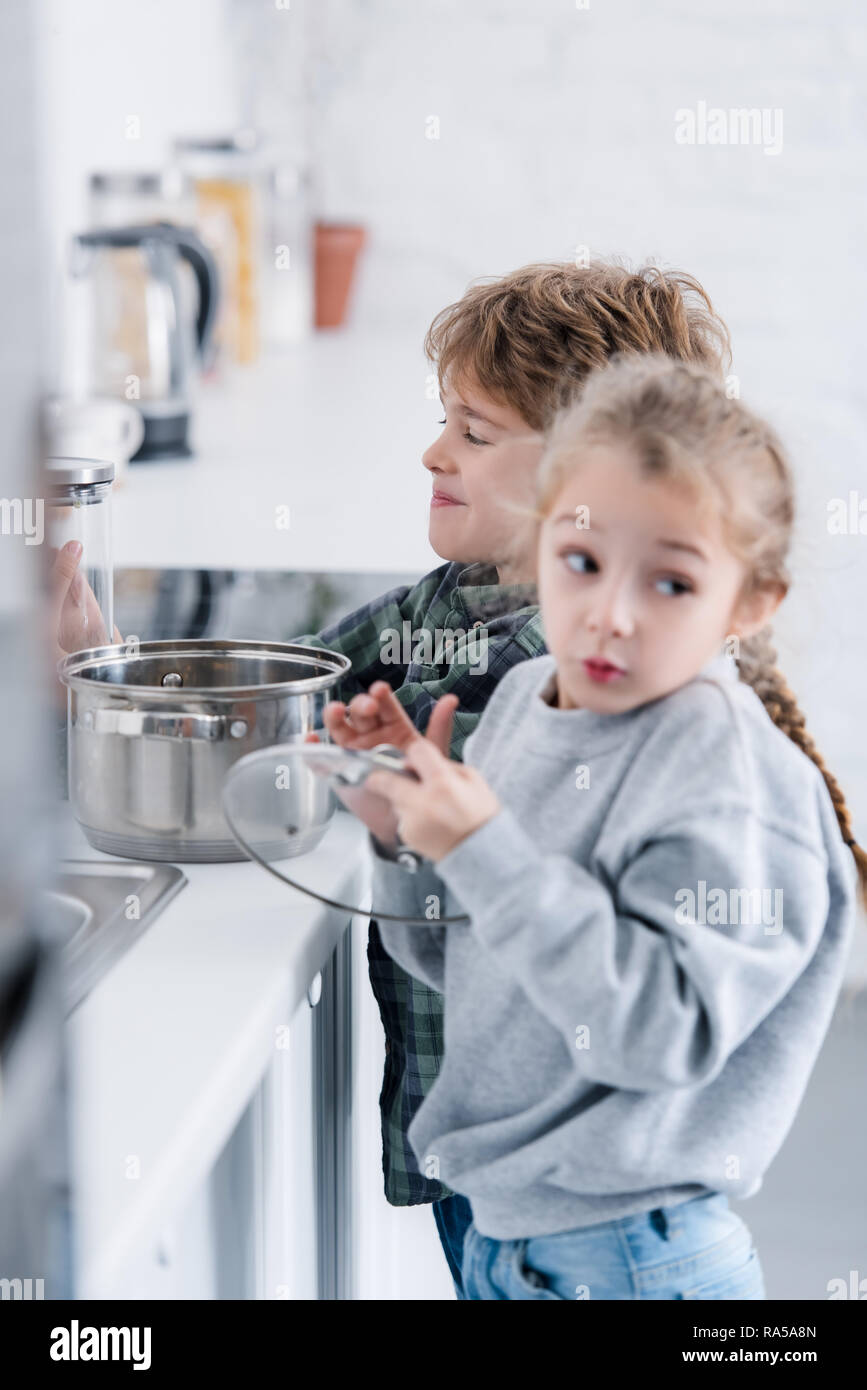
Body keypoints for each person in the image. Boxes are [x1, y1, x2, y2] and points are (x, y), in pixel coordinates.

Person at [52, 261, 732, 1297]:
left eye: (473, 429)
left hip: (587, 1196)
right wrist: (106, 663)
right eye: (443, 419)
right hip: (492, 1166)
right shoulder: (452, 603)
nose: (434, 450)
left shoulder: (591, 677)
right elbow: (285, 695)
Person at [341, 353, 864, 1300]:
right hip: (521, 1241)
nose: (610, 617)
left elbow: (653, 1037)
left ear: (747, 605)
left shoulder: (720, 775)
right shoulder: (529, 708)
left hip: (628, 1261)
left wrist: (481, 845)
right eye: (581, 563)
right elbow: (476, 963)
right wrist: (406, 838)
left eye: (669, 584)